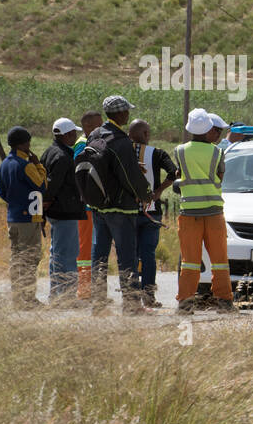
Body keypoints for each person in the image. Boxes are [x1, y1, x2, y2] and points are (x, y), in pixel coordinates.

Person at [87, 95, 152, 315]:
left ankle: (98, 303)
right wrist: (145, 193)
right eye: (127, 111)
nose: (128, 114)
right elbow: (129, 175)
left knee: (100, 257)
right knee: (127, 258)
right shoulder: (121, 140)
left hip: (99, 207)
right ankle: (132, 305)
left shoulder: (95, 135)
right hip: (121, 208)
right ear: (121, 114)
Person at [174, 107, 232, 313]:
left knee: (189, 262)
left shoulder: (179, 151)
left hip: (189, 214)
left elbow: (179, 176)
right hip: (214, 212)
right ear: (208, 127)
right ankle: (224, 303)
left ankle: (185, 304)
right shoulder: (218, 152)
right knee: (220, 261)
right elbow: (220, 178)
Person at [128, 118, 179, 309]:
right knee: (148, 255)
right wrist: (159, 191)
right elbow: (174, 173)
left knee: (130, 256)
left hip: (128, 213)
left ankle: (131, 297)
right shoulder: (157, 153)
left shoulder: (122, 153)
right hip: (151, 212)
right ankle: (148, 296)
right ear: (146, 134)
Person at [0, 126, 47, 310]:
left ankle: (18, 298)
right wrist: (38, 164)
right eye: (28, 142)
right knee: (29, 259)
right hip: (28, 219)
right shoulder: (26, 165)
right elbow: (41, 185)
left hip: (13, 217)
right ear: (22, 143)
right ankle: (28, 299)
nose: (29, 145)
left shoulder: (5, 164)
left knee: (17, 258)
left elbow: (2, 192)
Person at [41, 118, 84, 307]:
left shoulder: (49, 152)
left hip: (55, 212)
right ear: (66, 135)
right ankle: (66, 297)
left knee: (56, 253)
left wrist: (46, 203)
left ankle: (55, 293)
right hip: (65, 211)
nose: (75, 135)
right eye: (73, 133)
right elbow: (54, 185)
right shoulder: (64, 157)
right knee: (67, 254)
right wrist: (49, 200)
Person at [73, 109, 102, 299]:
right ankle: (84, 290)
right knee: (85, 249)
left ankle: (89, 288)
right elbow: (80, 174)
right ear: (88, 126)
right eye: (99, 124)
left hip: (90, 206)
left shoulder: (90, 142)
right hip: (85, 207)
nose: (103, 127)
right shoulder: (82, 144)